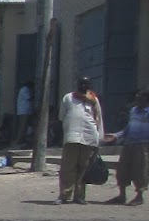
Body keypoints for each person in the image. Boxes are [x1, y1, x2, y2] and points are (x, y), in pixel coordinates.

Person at [56, 77, 103, 205]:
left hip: (89, 137)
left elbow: (98, 118)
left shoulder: (94, 100)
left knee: (84, 168)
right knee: (67, 167)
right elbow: (62, 116)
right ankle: (64, 195)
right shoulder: (68, 98)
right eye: (81, 83)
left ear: (89, 85)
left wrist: (99, 138)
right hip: (72, 136)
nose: (83, 85)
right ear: (77, 84)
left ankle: (79, 196)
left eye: (86, 83)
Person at [104, 89, 149, 206]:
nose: (137, 99)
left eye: (140, 97)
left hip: (143, 145)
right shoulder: (133, 111)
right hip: (129, 143)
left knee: (140, 170)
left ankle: (139, 196)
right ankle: (121, 195)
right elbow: (128, 128)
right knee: (123, 169)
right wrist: (116, 135)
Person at [15, 82, 34, 147]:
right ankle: (19, 140)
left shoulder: (24, 89)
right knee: (22, 126)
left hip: (25, 111)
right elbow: (29, 98)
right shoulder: (25, 89)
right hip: (24, 111)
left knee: (25, 126)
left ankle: (23, 138)